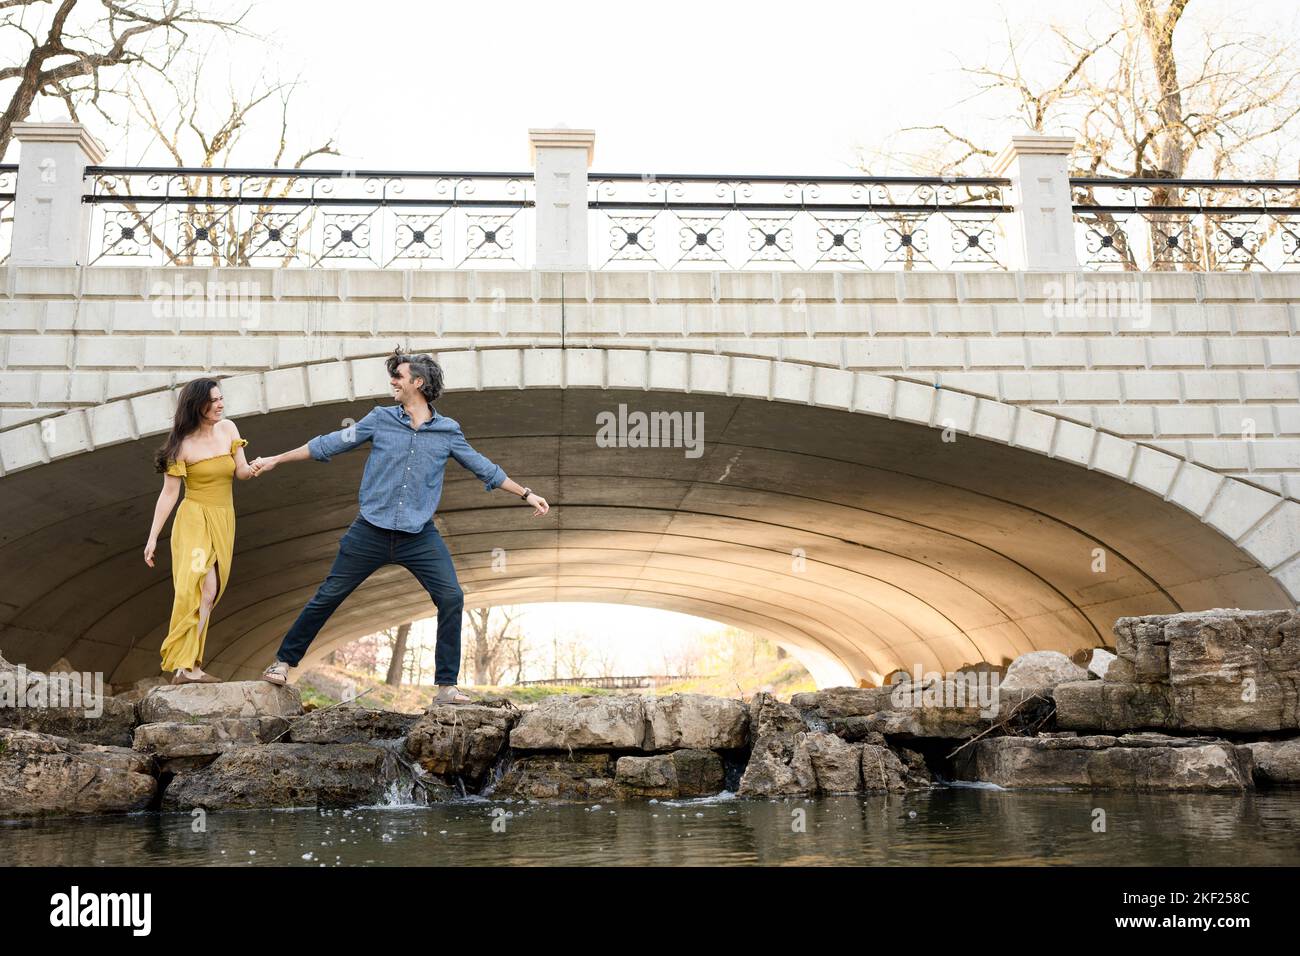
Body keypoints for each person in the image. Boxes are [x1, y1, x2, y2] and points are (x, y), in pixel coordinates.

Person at [250, 348, 549, 703]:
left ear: (418, 383)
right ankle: (283, 662)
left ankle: (446, 687)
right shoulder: (379, 419)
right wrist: (275, 459)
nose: (392, 381)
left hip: (418, 535)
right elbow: (330, 443)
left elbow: (483, 467)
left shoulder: (448, 431)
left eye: (399, 376)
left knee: (452, 596)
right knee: (328, 596)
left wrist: (526, 492)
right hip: (370, 530)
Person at [145, 378, 254, 684]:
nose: (221, 404)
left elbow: (241, 471)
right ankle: (186, 667)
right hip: (193, 522)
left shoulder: (229, 429)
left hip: (223, 518)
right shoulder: (182, 446)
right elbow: (169, 494)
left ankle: (188, 664)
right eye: (214, 401)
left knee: (211, 593)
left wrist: (258, 466)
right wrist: (153, 537)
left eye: (221, 398)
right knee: (197, 587)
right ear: (197, 406)